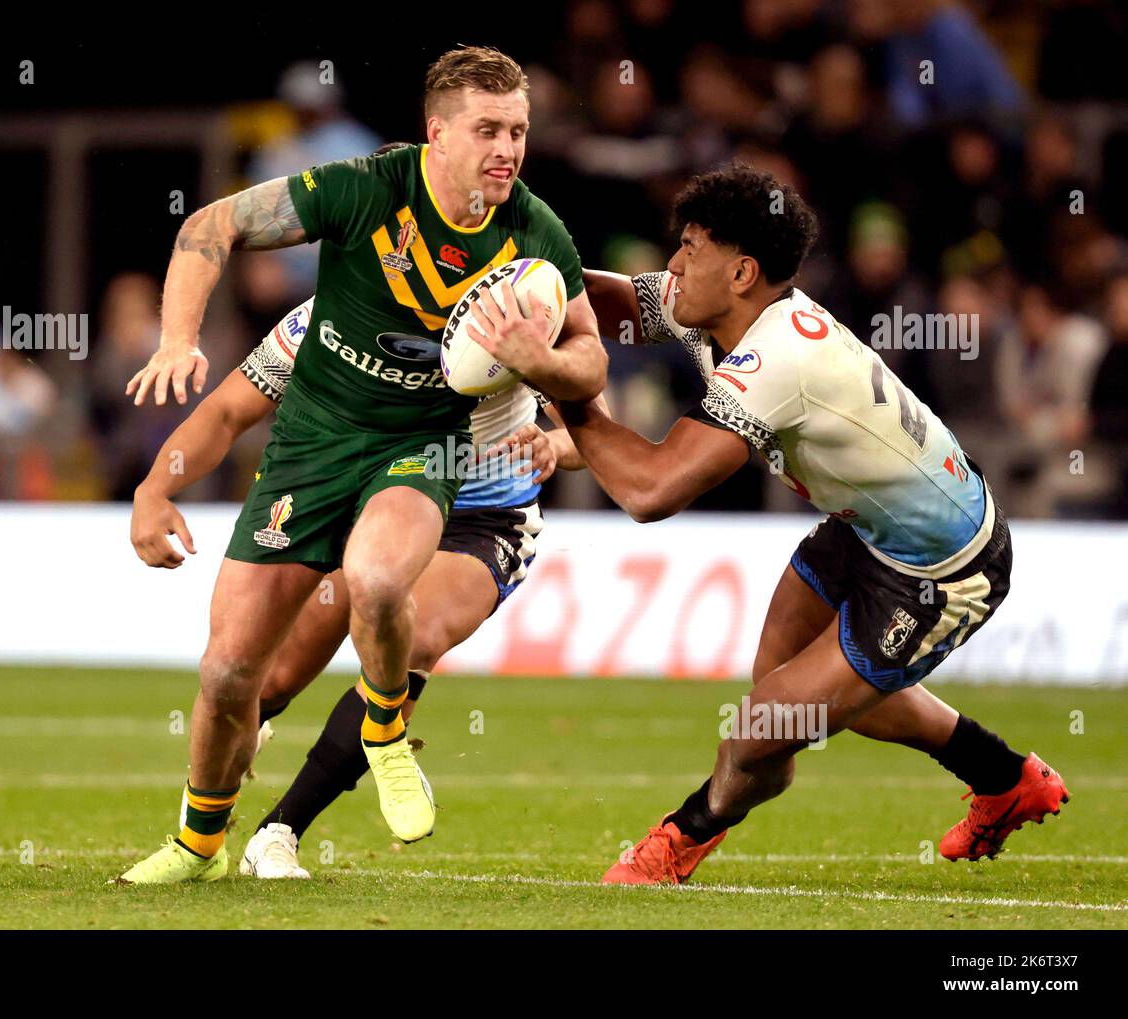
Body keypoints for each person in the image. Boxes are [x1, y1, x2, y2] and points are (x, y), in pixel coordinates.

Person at [117, 46, 606, 884]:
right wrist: (158, 469)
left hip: (458, 476)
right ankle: (203, 833)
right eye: (488, 129)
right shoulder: (346, 242)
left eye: (518, 131)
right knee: (239, 675)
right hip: (320, 461)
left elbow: (591, 361)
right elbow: (215, 266)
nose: (508, 149)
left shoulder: (533, 237)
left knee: (381, 590)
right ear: (435, 134)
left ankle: (311, 800)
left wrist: (545, 378)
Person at [564, 164, 1068, 885]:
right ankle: (1003, 774)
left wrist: (568, 399)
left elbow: (651, 490)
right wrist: (522, 275)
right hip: (865, 526)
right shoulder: (729, 308)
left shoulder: (775, 358)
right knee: (779, 718)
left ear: (740, 271)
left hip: (945, 566)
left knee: (760, 731)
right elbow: (609, 305)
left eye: (690, 247)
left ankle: (680, 838)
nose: (671, 263)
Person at [132, 293, 580, 877]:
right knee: (268, 675)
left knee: (413, 636)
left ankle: (280, 832)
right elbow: (227, 410)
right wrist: (153, 488)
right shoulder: (328, 314)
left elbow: (592, 434)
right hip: (376, 500)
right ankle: (205, 830)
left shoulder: (513, 314)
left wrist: (553, 444)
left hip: (481, 516)